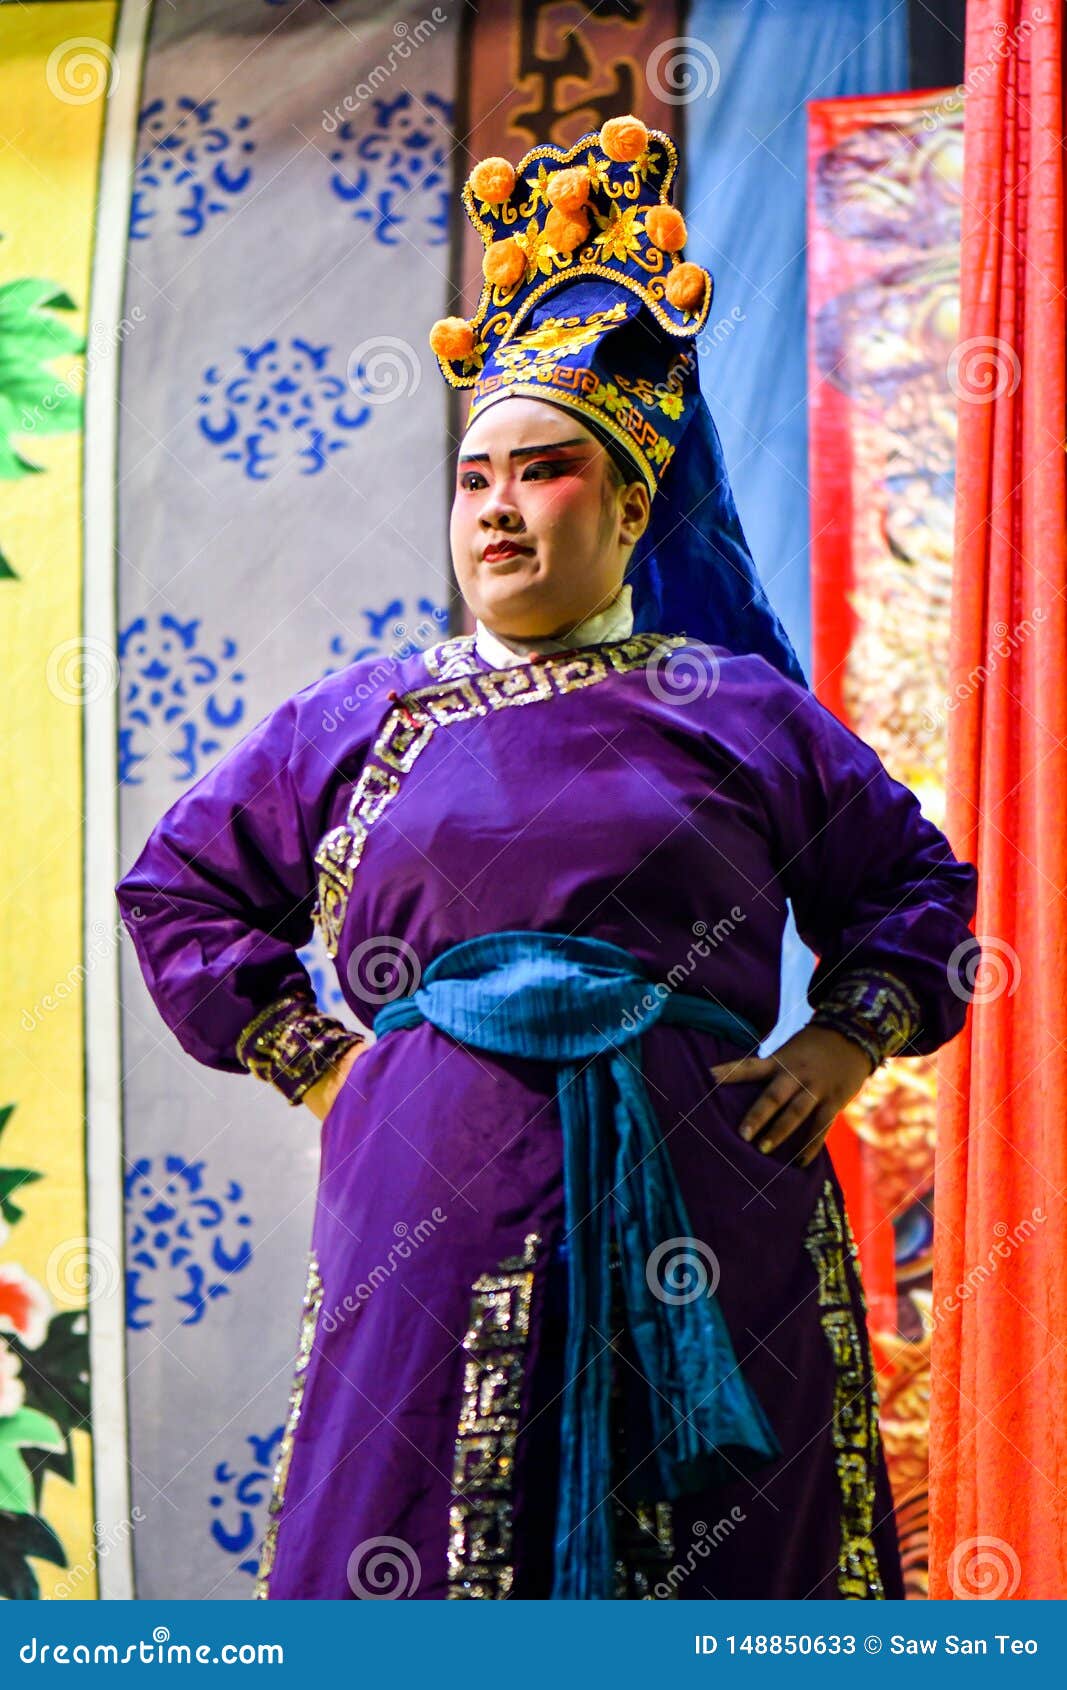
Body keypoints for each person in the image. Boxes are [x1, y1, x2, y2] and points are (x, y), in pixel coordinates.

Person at [116, 115, 978, 1602]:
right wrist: (320, 1057)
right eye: (475, 478)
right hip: (426, 1196)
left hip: (707, 1194)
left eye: (546, 472)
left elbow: (921, 897)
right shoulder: (363, 713)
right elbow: (179, 888)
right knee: (413, 1529)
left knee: (720, 1562)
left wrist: (848, 1036)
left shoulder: (740, 712)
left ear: (635, 506)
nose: (500, 506)